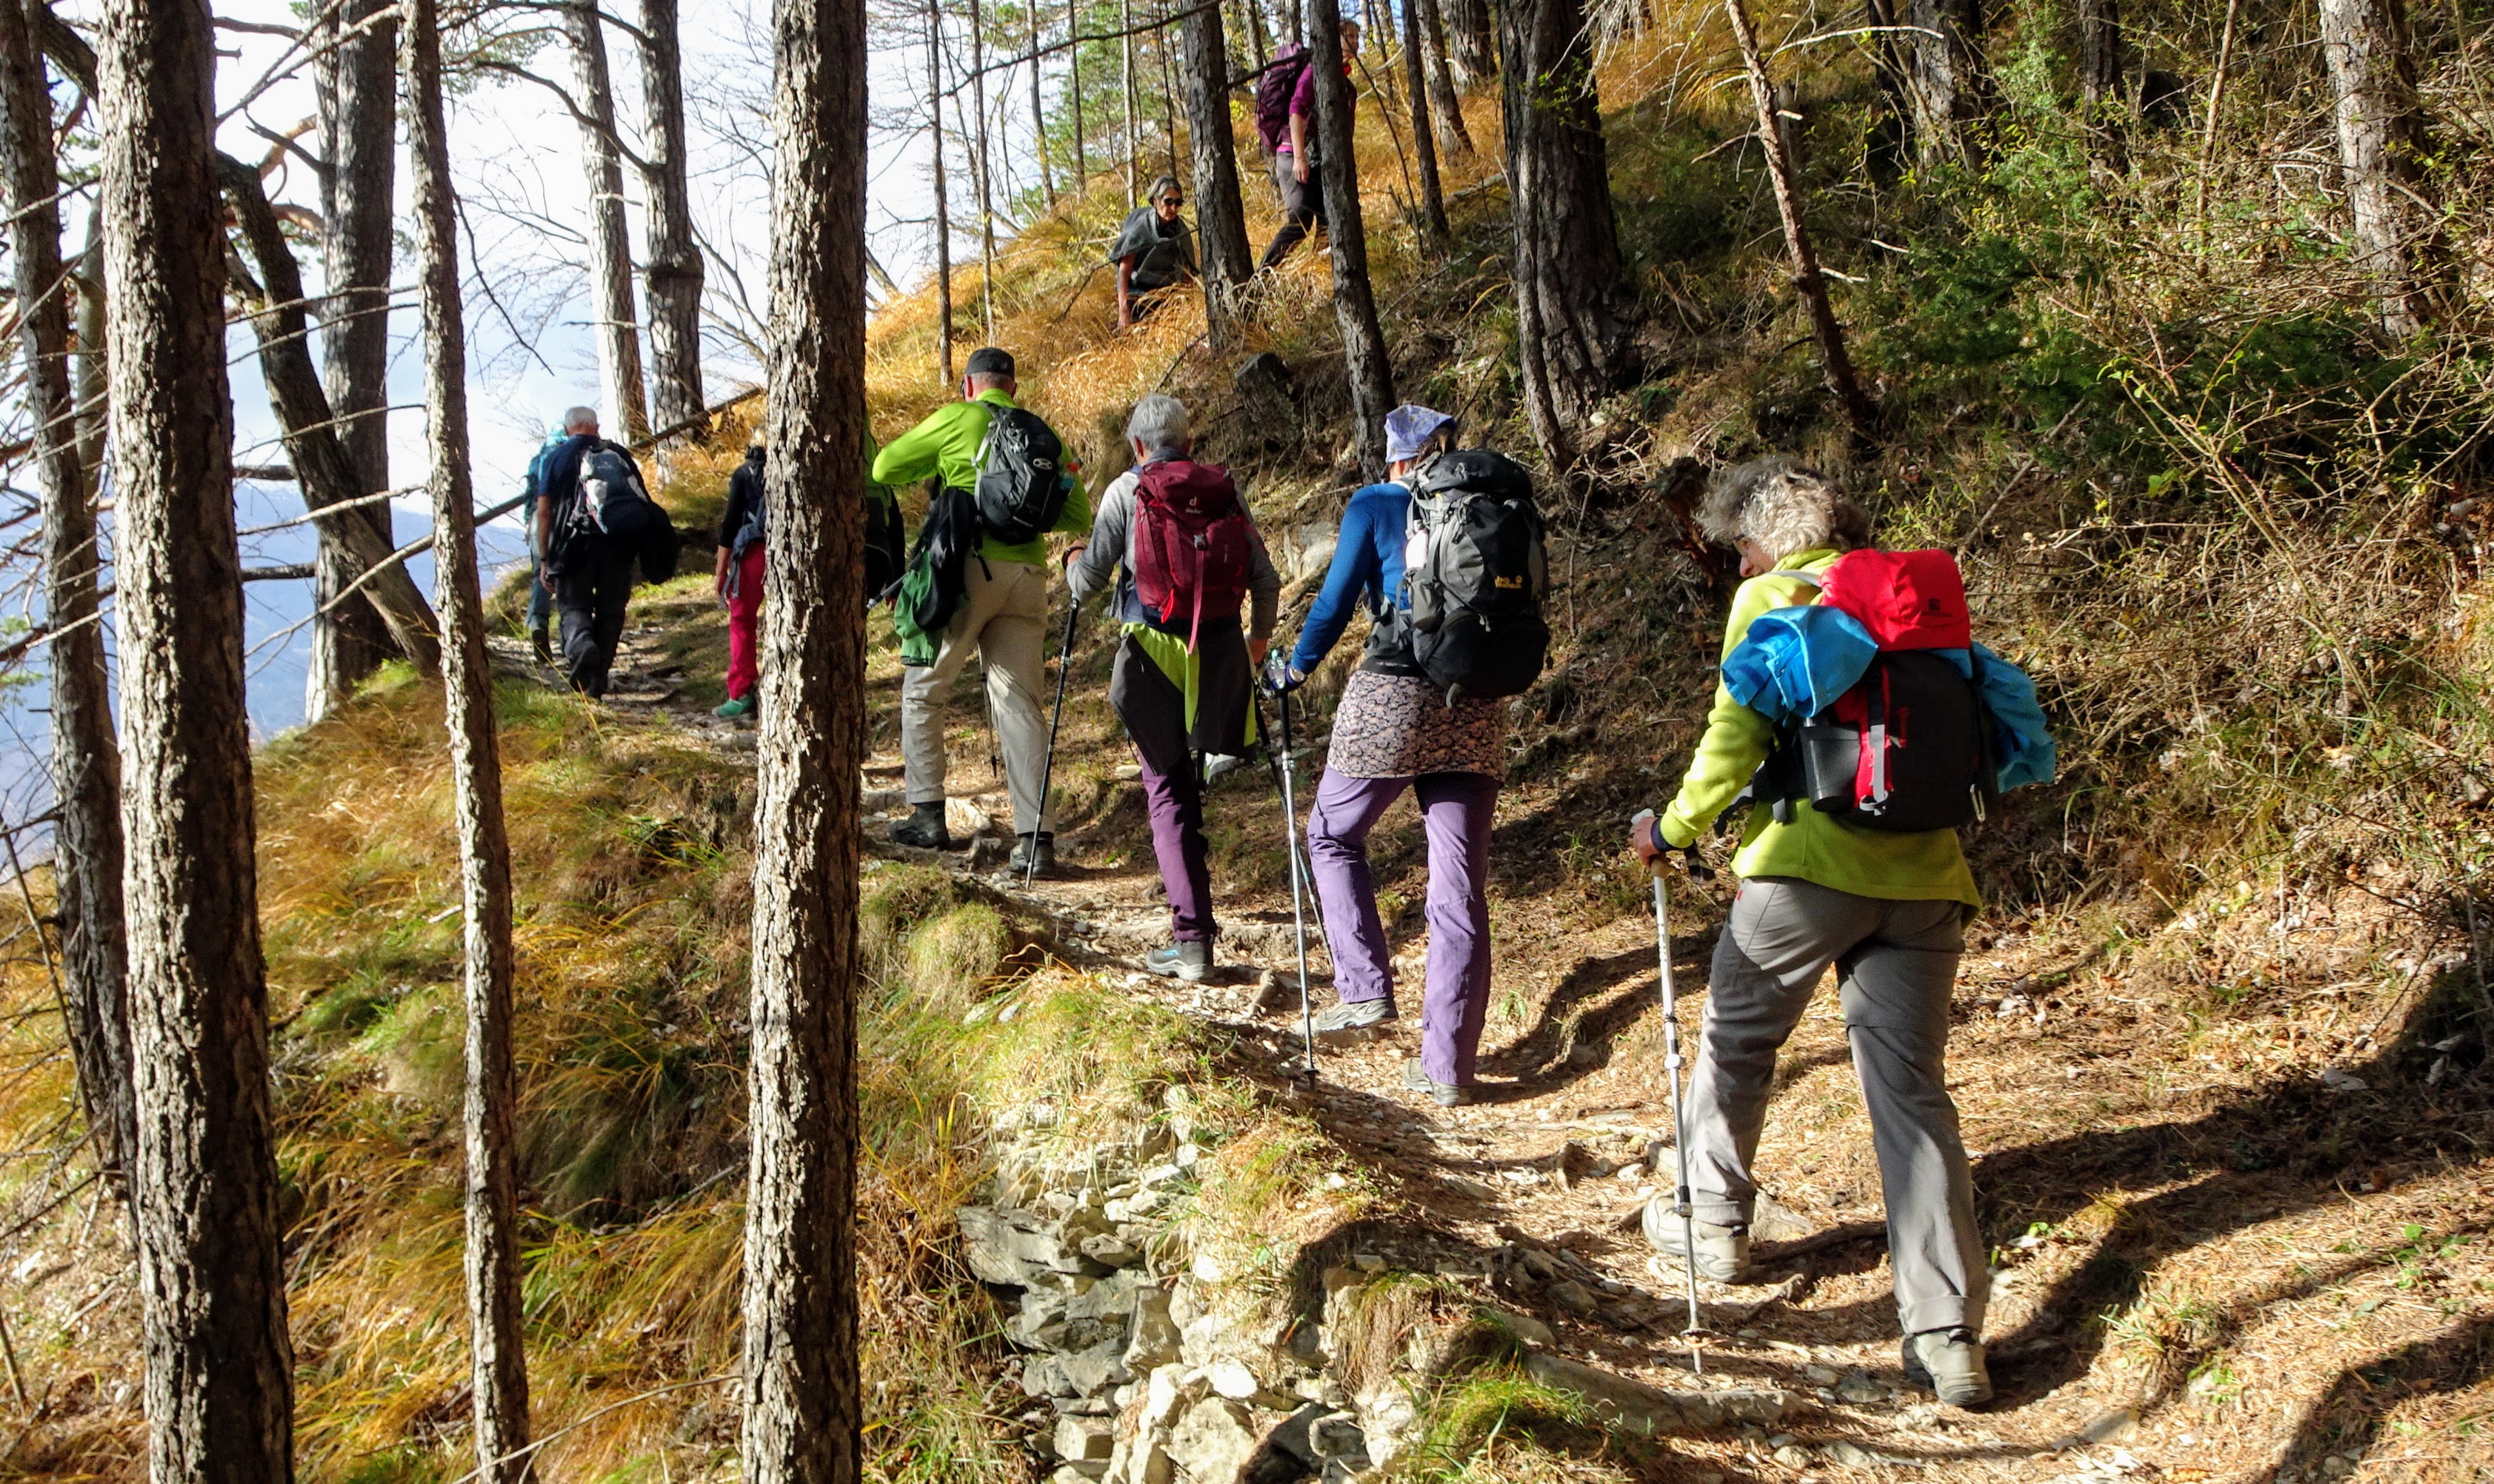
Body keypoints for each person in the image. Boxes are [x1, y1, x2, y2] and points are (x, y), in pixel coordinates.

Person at [1627, 459, 1993, 1406]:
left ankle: (1711, 1222)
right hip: (1927, 876)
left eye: (1740, 545)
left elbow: (1735, 735)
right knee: (1912, 1098)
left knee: (1737, 1039)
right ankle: (1948, 1335)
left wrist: (1672, 829)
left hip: (1805, 869)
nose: (1738, 562)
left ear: (1768, 537)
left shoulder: (1775, 598)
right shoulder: (1913, 602)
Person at [1276, 405, 1503, 1107]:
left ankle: (1364, 989)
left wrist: (1294, 669)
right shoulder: (1490, 505)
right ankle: (1448, 1069)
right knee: (1458, 887)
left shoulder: (1376, 503)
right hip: (1477, 698)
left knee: (1330, 835)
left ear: (1397, 458)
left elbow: (1333, 602)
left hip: (1394, 697)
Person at [1064, 395, 1280, 981]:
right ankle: (1195, 914)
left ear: (1137, 445)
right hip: (1220, 653)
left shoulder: (1125, 491)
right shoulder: (1224, 490)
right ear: (1188, 443)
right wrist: (1256, 646)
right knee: (1192, 788)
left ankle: (1191, 943)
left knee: (1167, 791)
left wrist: (1072, 556)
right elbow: (1266, 578)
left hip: (1152, 654)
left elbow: (1085, 585)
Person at [871, 347, 1091, 875]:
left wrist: (944, 466)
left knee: (924, 689)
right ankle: (1035, 840)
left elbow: (883, 467)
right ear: (1012, 388)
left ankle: (927, 815)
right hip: (1027, 578)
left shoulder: (957, 418)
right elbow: (1078, 511)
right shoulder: (1042, 432)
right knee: (1019, 706)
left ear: (968, 386)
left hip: (965, 573)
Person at [533, 405, 645, 699]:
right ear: (596, 427)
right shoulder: (618, 454)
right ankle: (598, 680)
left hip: (572, 543)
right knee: (612, 610)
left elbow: (543, 511)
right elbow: (640, 500)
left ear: (568, 429)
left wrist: (545, 559)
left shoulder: (556, 457)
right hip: (618, 542)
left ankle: (582, 645)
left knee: (574, 606)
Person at [1258, 19, 1358, 271]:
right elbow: (1297, 111)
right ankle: (1261, 280)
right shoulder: (1315, 71)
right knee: (1301, 220)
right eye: (1349, 36)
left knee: (1329, 217)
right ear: (1334, 38)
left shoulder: (1347, 88)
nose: (1355, 42)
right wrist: (1300, 158)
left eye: (1357, 37)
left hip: (1319, 160)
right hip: (1293, 154)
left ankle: (1317, 275)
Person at [714, 438, 768, 720]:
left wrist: (721, 571)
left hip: (755, 552)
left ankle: (742, 692)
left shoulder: (745, 474)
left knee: (742, 620)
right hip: (798, 550)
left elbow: (730, 523)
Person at [521, 416, 580, 663]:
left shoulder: (538, 460)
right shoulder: (573, 454)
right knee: (569, 574)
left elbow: (530, 495)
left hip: (539, 519)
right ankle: (570, 638)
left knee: (540, 574)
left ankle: (538, 623)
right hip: (567, 517)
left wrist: (528, 521)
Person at [1110, 178, 1198, 332]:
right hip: (1138, 296)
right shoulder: (1139, 229)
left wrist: (1189, 308)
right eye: (1168, 202)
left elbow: (1188, 273)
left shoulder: (1181, 231)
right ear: (1156, 201)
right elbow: (1124, 270)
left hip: (1168, 297)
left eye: (1178, 203)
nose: (1173, 208)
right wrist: (1123, 312)